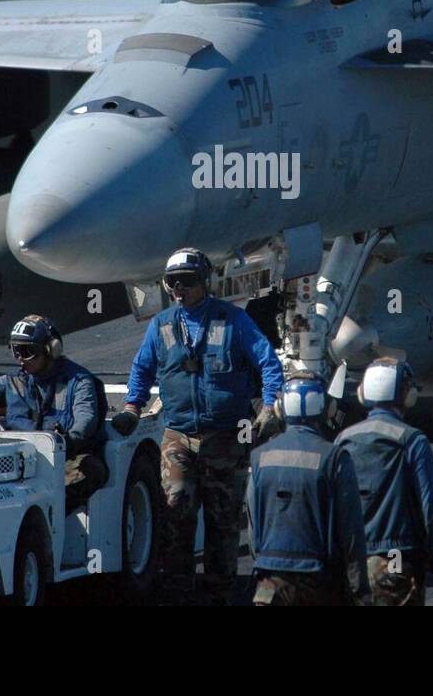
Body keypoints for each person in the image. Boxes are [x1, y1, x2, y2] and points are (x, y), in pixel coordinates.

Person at [121, 247, 284, 605]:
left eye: (188, 282)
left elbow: (268, 362)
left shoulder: (233, 321)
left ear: (204, 282)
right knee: (176, 513)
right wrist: (133, 404)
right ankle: (178, 591)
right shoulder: (161, 325)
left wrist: (270, 405)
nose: (180, 289)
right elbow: (142, 368)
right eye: (173, 283)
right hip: (178, 436)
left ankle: (219, 594)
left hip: (225, 437)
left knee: (223, 523)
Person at [336, 358, 433, 606]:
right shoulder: (412, 440)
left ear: (362, 393)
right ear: (406, 395)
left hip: (351, 567)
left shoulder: (343, 440)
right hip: (397, 561)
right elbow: (432, 510)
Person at [0, 315, 108, 511]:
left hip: (67, 457)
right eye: (16, 350)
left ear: (50, 350)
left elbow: (85, 421)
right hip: (18, 461)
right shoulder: (13, 382)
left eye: (27, 351)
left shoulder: (78, 381)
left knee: (89, 472)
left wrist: (66, 441)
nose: (20, 358)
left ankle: (49, 518)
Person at [247, 373, 369, 605]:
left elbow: (254, 528)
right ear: (326, 409)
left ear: (282, 409)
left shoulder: (258, 457)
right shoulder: (334, 458)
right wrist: (359, 589)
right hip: (319, 580)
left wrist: (265, 565)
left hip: (269, 581)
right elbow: (351, 530)